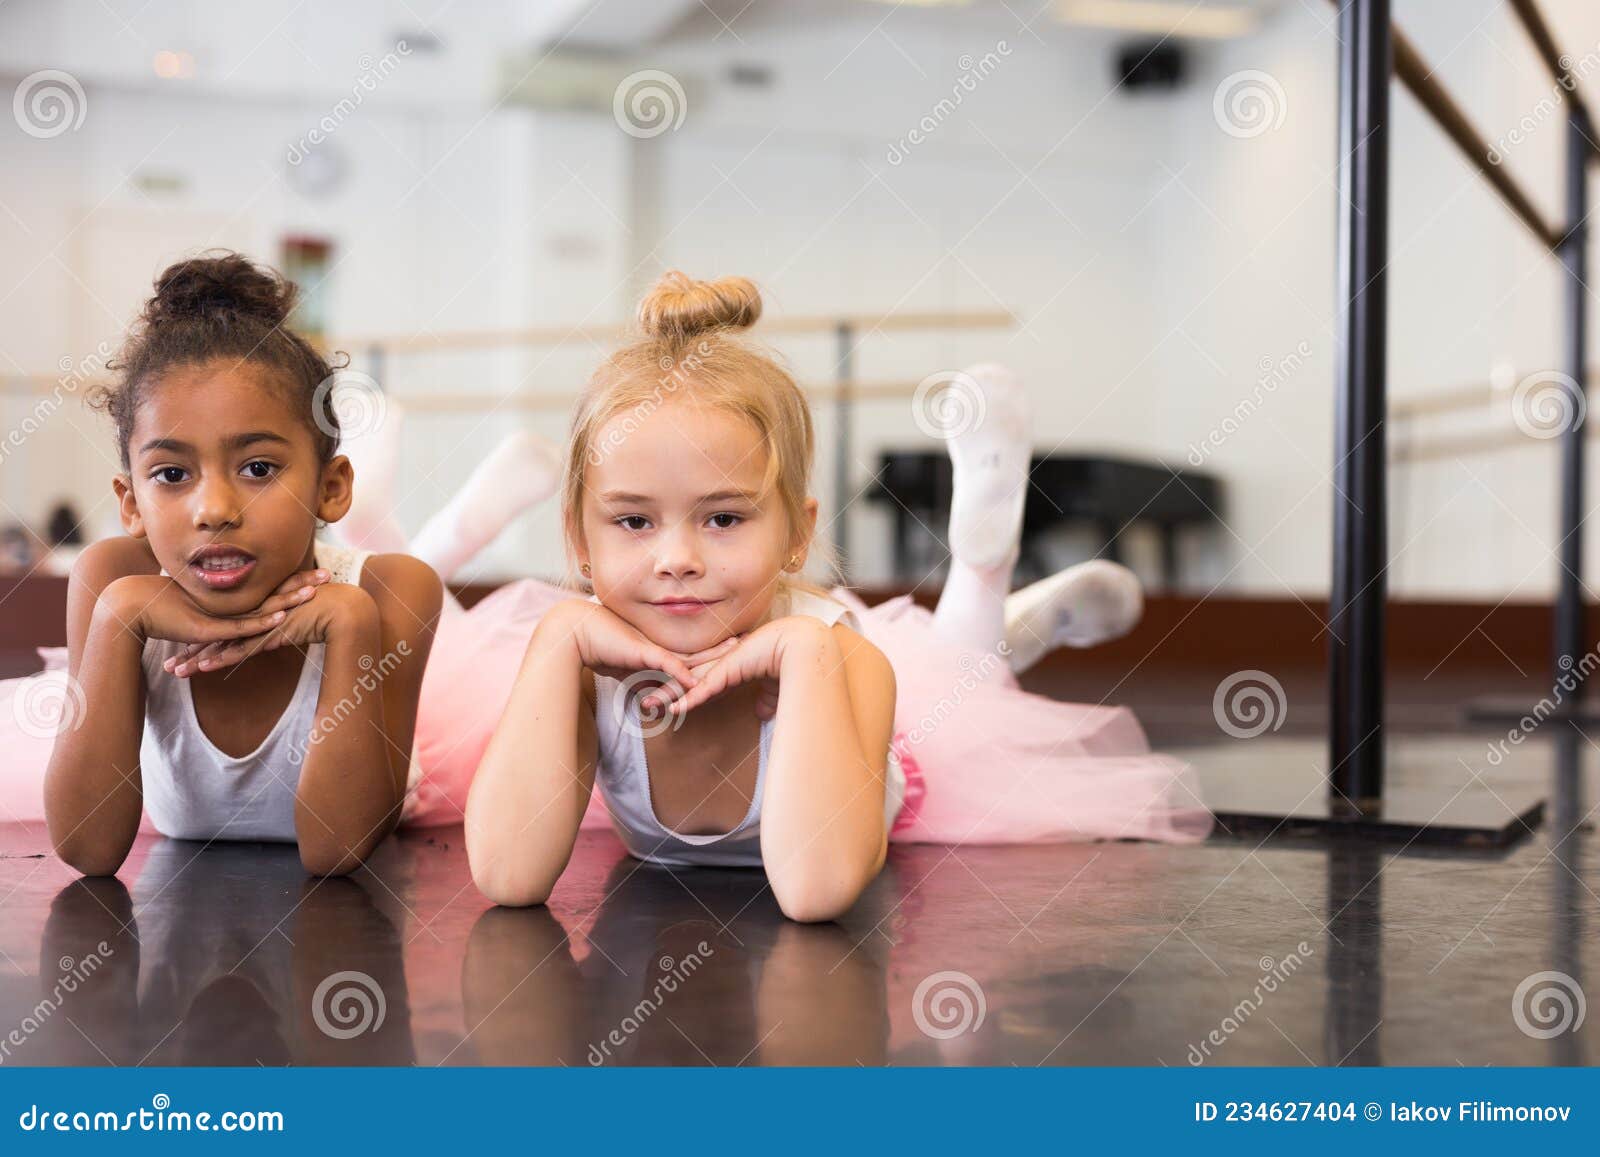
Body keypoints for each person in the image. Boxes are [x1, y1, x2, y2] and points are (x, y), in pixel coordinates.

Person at [36, 251, 442, 878]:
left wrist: (350, 623)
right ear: (131, 502)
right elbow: (88, 851)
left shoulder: (392, 590)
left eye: (258, 468)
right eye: (172, 474)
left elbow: (336, 852)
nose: (214, 510)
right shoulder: (112, 580)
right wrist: (120, 616)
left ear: (331, 487)